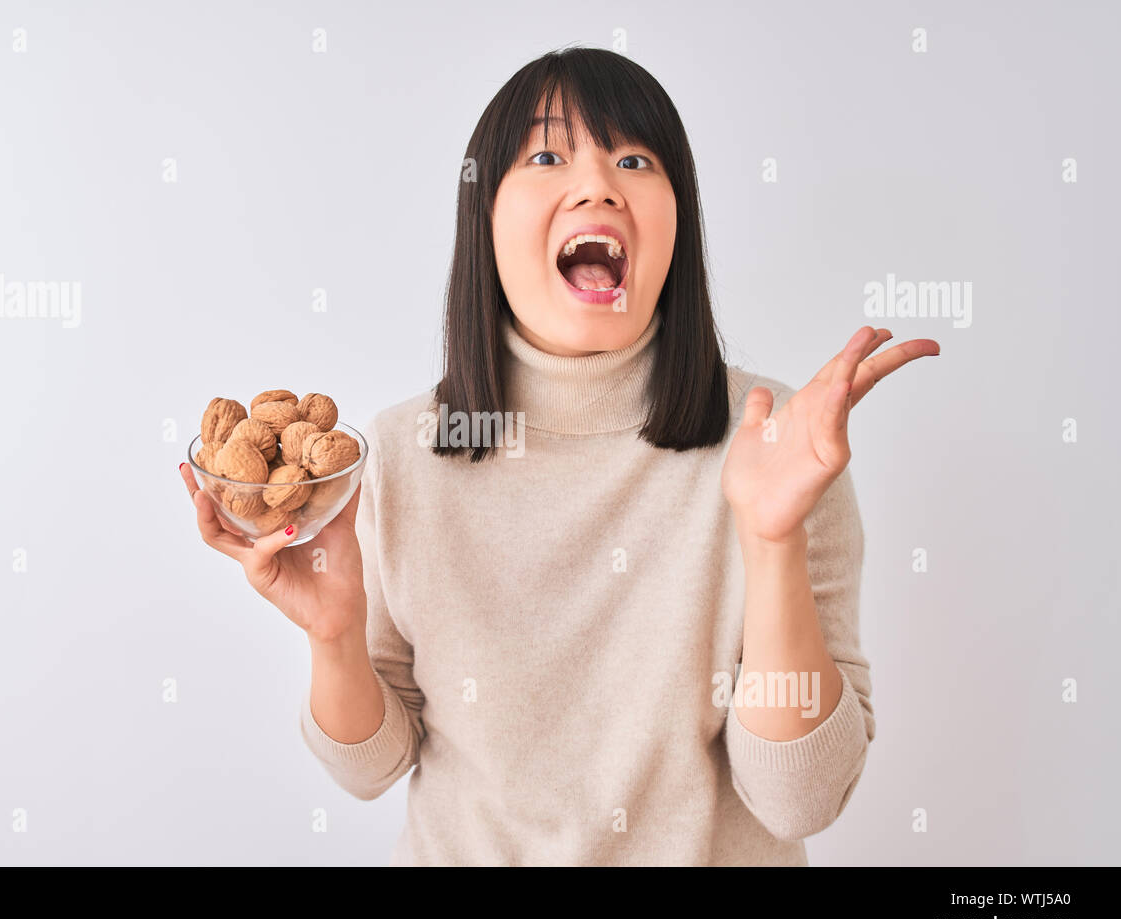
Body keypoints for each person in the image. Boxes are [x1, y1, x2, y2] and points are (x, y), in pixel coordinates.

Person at [178, 47, 939, 865]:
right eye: (547, 155)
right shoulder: (402, 452)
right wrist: (334, 634)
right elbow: (371, 768)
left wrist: (772, 539)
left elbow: (800, 798)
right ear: (487, 217)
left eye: (636, 159)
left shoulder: (777, 438)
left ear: (678, 220)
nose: (599, 184)